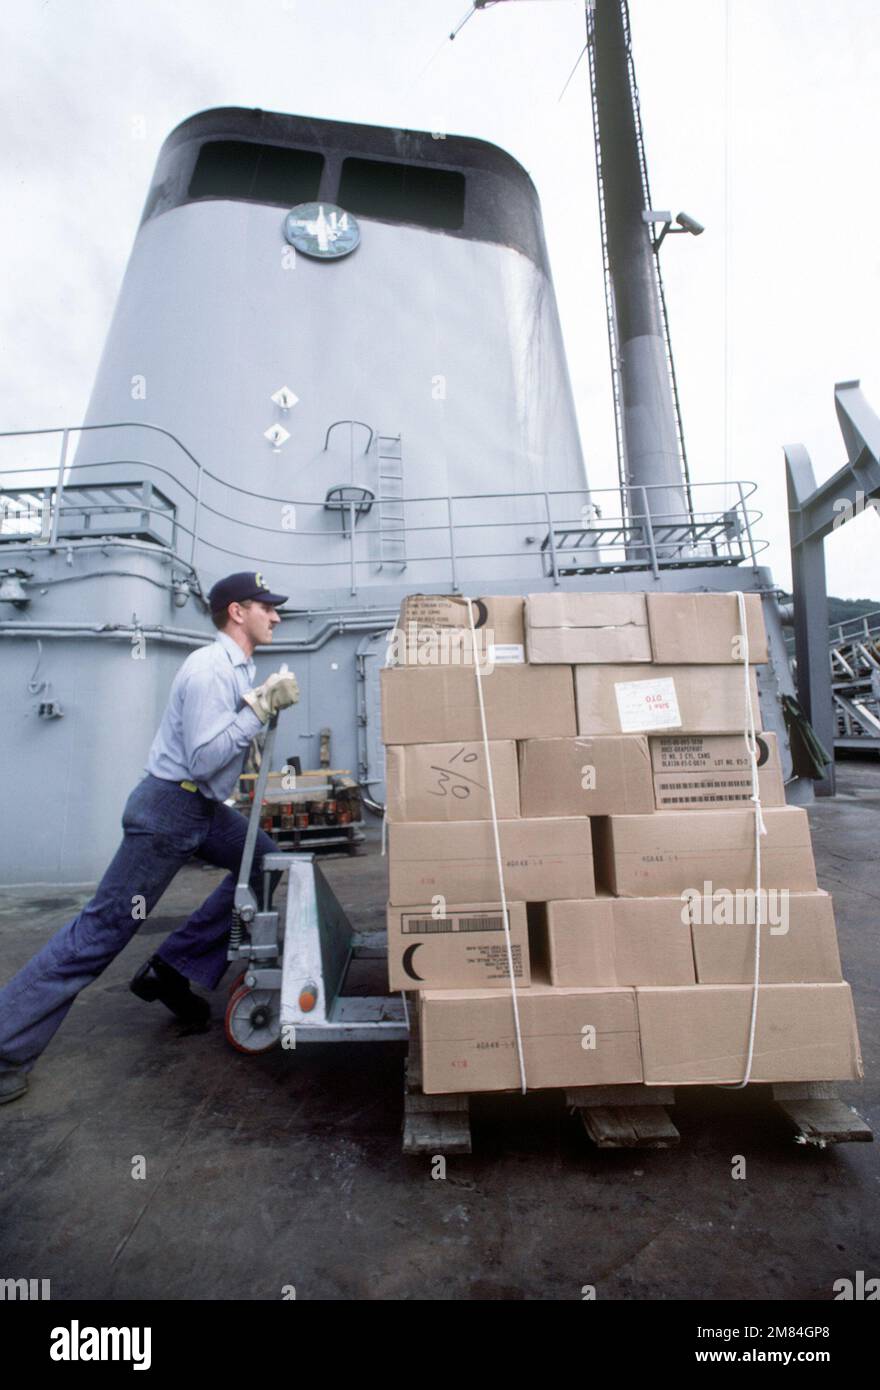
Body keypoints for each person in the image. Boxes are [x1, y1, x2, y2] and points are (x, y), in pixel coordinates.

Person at [0, 571, 300, 1105]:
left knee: (270, 865)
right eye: (266, 607)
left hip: (201, 808)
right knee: (99, 935)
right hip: (168, 811)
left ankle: (173, 966)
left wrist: (257, 705)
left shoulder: (237, 667)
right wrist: (258, 710)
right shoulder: (210, 669)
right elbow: (206, 757)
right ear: (237, 611)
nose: (275, 615)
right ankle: (4, 1049)